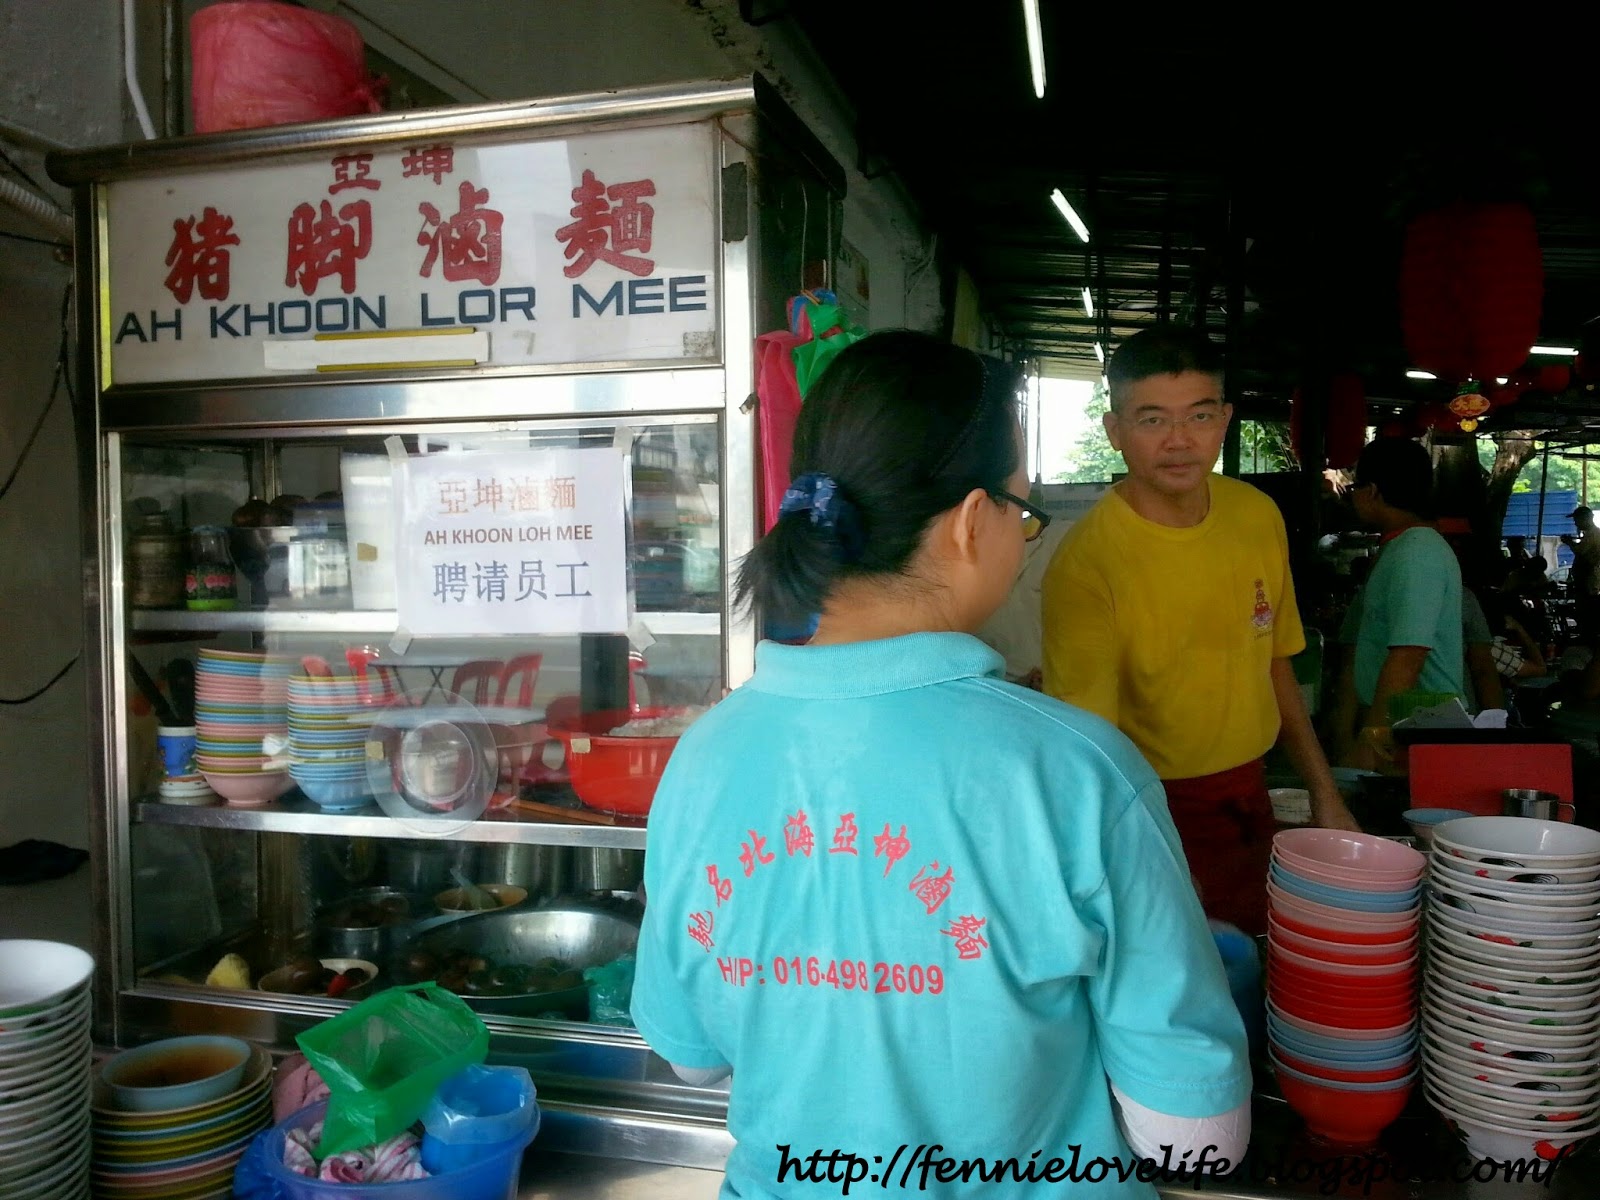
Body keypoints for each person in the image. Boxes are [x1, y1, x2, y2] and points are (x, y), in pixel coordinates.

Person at [632, 332, 1251, 1198]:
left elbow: (689, 1056)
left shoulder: (701, 759)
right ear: (970, 520)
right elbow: (1196, 1140)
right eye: (1023, 513)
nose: (1024, 537)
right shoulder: (1074, 771)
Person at [1040, 327, 1356, 937]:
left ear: (1225, 419)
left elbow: (1276, 663)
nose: (1180, 442)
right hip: (1152, 811)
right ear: (1115, 430)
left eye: (1200, 416)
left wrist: (1325, 793)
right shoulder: (1087, 564)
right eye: (1152, 419)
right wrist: (1136, 858)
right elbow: (1090, 748)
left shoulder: (1256, 515)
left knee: (1258, 969)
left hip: (1250, 800)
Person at [1331, 437, 1465, 769]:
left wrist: (1373, 737)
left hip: (1419, 722)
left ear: (1373, 490)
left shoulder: (1417, 551)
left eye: (1354, 487)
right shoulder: (1401, 547)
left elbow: (1408, 654)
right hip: (1405, 719)